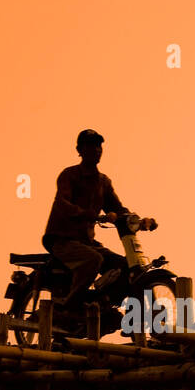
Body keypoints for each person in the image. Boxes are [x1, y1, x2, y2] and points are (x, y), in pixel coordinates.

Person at [42, 129, 149, 311]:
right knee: (94, 260)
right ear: (80, 150)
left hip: (87, 242)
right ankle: (69, 307)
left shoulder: (103, 182)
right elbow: (62, 203)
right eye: (91, 145)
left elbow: (118, 209)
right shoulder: (69, 175)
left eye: (99, 145)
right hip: (62, 239)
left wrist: (139, 221)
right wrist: (90, 214)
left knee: (125, 265)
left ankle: (105, 303)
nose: (96, 149)